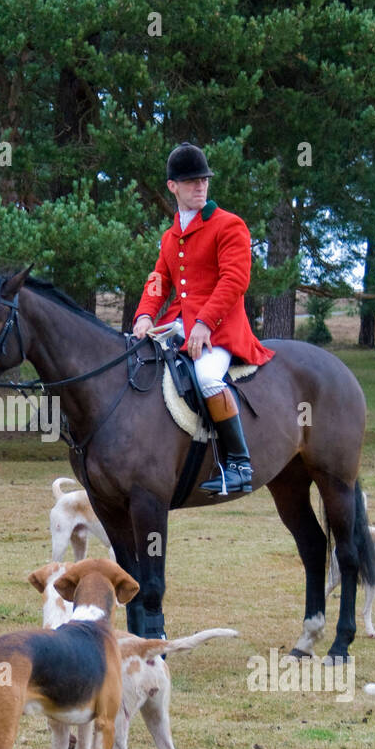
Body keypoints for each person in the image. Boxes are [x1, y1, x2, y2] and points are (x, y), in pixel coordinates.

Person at [130, 142, 275, 495]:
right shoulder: (171, 236)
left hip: (221, 329)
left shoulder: (229, 225)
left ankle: (239, 465)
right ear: (172, 187)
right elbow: (158, 280)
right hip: (182, 325)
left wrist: (204, 323)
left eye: (204, 180)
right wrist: (145, 314)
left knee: (208, 377)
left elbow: (234, 281)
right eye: (191, 181)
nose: (200, 186)